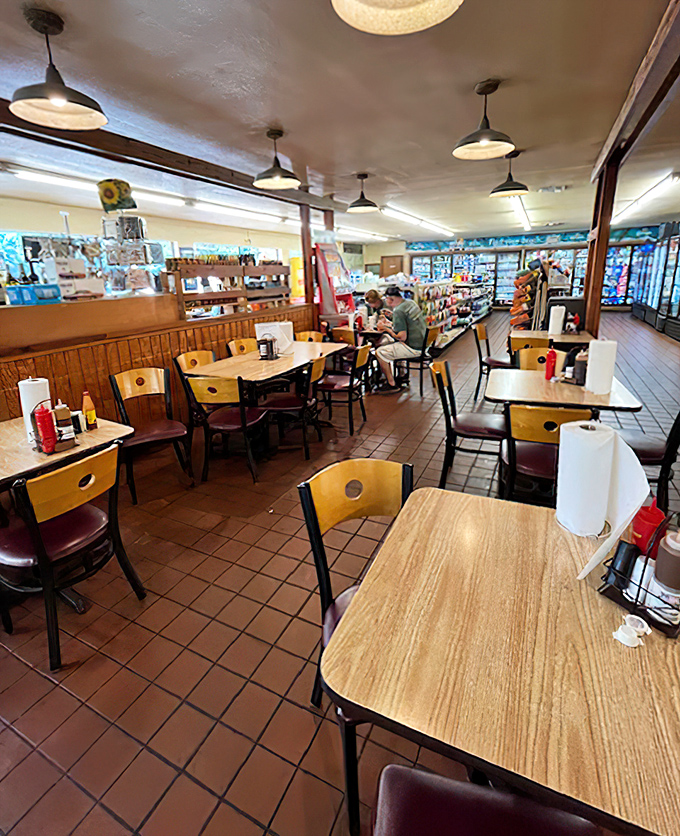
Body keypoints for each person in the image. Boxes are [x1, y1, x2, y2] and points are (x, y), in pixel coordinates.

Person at [375, 285, 427, 393]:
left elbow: (402, 337)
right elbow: (407, 323)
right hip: (423, 344)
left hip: (413, 347)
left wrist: (385, 328)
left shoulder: (399, 310)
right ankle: (402, 375)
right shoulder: (410, 303)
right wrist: (392, 320)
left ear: (391, 299)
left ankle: (391, 383)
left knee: (380, 352)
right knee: (392, 346)